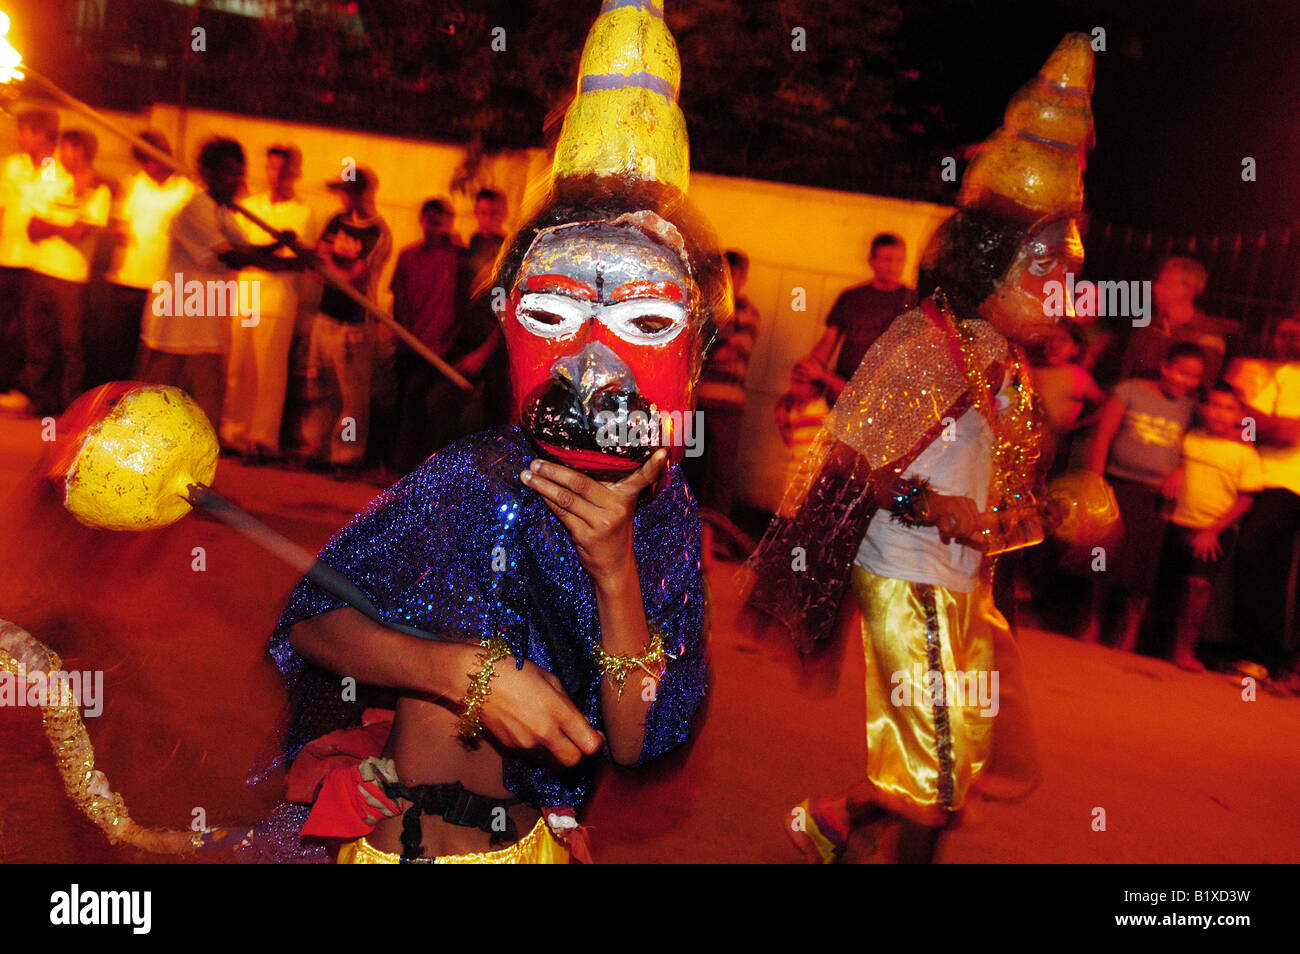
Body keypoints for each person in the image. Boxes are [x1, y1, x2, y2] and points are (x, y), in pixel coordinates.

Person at [243, 1, 725, 864]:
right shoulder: (469, 478)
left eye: (646, 323)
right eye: (552, 313)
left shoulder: (668, 520)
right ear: (509, 328)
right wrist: (458, 672)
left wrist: (615, 573)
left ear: (695, 353)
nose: (591, 365)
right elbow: (312, 622)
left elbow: (633, 741)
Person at [749, 34, 1096, 863]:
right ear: (993, 261)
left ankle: (837, 822)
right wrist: (926, 504)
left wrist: (1056, 507)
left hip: (961, 584)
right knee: (938, 770)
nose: (1069, 289)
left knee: (955, 755)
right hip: (905, 572)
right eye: (1049, 267)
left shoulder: (1003, 358)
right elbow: (853, 458)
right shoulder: (928, 340)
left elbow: (999, 489)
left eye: (1071, 270)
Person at [136, 137, 308, 428]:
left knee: (204, 419)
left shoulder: (223, 214)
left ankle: (194, 471)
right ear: (208, 173)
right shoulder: (194, 209)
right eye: (229, 173)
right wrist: (300, 264)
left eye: (239, 173)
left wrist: (278, 244)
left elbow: (248, 250)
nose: (236, 181)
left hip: (205, 333)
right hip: (171, 333)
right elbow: (235, 260)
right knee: (153, 418)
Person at [1082, 342, 1205, 651]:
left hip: (1156, 495)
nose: (1185, 381)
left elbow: (1197, 448)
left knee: (1144, 569)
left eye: (1193, 377)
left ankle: (1130, 632)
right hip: (1119, 484)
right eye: (1181, 371)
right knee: (1105, 558)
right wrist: (1096, 481)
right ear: (1165, 367)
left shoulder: (1191, 410)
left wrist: (1179, 471)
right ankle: (1093, 623)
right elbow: (1104, 436)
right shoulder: (1130, 391)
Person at [221, 144, 317, 462]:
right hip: (246, 295)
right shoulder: (249, 206)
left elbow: (295, 260)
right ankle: (233, 433)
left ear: (294, 173)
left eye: (283, 169)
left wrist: (261, 255)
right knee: (239, 368)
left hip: (277, 300)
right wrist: (265, 254)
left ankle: (262, 439)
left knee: (269, 372)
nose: (276, 175)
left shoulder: (303, 212)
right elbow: (241, 251)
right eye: (271, 167)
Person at [298, 166, 391, 477]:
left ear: (363, 193)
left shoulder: (378, 232)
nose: (342, 197)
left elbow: (354, 276)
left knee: (352, 398)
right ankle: (318, 449)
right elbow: (316, 263)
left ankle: (347, 456)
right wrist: (326, 266)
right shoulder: (336, 221)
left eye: (348, 191)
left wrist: (326, 265)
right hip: (326, 315)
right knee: (320, 387)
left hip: (354, 324)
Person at [1225, 313, 1300, 690]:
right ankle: (1257, 656)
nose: (1287, 341)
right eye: (1282, 334)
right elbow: (1239, 422)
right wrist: (1271, 423)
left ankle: (1292, 666)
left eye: (1296, 335)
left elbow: (1288, 432)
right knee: (1257, 558)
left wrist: (1261, 420)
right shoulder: (1256, 370)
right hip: (1270, 479)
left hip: (1290, 477)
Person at [1164, 381, 1261, 671]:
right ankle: (1153, 642)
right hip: (1177, 521)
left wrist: (1212, 531)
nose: (1221, 413)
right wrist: (1177, 471)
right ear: (1204, 408)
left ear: (1239, 415)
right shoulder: (1190, 439)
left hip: (1213, 529)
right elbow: (1174, 468)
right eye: (1215, 405)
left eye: (1229, 408)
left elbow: (1245, 501)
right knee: (1168, 583)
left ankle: (1185, 650)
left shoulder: (1245, 454)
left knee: (1199, 586)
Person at [92, 131, 194, 390]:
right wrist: (119, 231)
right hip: (128, 276)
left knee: (154, 352)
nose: (146, 167)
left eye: (149, 160)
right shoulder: (134, 183)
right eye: (142, 161)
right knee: (118, 345)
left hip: (163, 283)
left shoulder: (186, 190)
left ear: (162, 158)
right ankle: (112, 399)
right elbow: (121, 220)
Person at [21, 128, 111, 416]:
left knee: (72, 346)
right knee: (39, 342)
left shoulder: (99, 191)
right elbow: (32, 228)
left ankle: (70, 405)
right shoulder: (51, 182)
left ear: (80, 150)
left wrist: (52, 225)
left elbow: (80, 233)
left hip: (72, 278)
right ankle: (41, 402)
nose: (60, 155)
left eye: (66, 148)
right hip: (42, 271)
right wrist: (62, 227)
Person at [795, 233, 917, 404]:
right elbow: (827, 343)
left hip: (889, 401)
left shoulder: (915, 302)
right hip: (843, 396)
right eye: (887, 260)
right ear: (871, 261)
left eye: (899, 260)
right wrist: (806, 375)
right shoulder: (851, 297)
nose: (893, 266)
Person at [684, 248, 759, 523]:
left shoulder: (747, 312)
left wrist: (708, 344)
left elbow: (726, 353)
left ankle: (717, 535)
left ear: (741, 276)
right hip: (697, 403)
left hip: (727, 405)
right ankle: (685, 528)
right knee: (690, 465)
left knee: (721, 473)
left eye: (733, 273)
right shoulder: (702, 305)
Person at [390, 197, 464, 472]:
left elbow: (463, 303)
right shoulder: (409, 256)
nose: (434, 226)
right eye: (430, 220)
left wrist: (449, 340)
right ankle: (400, 467)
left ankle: (415, 467)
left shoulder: (457, 257)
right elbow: (399, 298)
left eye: (440, 220)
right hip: (409, 343)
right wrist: (402, 334)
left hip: (440, 347)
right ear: (422, 220)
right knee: (403, 403)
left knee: (420, 401)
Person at [0, 108, 62, 414]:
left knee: (28, 329)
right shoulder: (12, 166)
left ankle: (21, 386)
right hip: (5, 256)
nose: (18, 136)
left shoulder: (57, 170)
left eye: (24, 130)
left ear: (41, 134)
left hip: (37, 262)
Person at [1118, 256, 1232, 389]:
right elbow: (1126, 375)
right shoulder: (1148, 327)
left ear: (1189, 289)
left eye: (1163, 283)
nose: (1155, 288)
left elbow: (1201, 388)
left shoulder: (1208, 335)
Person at [453, 187, 512, 430]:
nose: (487, 219)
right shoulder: (473, 245)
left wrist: (484, 353)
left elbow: (506, 312)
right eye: (483, 213)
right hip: (468, 340)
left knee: (492, 413)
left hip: (496, 348)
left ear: (504, 213)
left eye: (493, 213)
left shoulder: (508, 253)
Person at [1031, 323, 1106, 473]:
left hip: (1052, 455)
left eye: (1062, 341)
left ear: (1075, 349)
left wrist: (1077, 425)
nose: (1054, 345)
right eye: (1050, 339)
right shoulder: (1032, 369)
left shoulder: (1077, 376)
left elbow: (1106, 406)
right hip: (1023, 447)